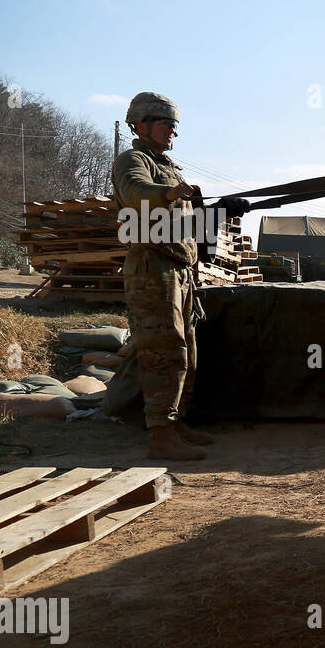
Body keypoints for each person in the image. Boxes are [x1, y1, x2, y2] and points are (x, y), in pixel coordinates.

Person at [112, 91, 248, 460]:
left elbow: (187, 223)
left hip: (179, 269)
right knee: (162, 349)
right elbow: (136, 192)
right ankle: (159, 432)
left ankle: (174, 423)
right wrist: (171, 192)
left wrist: (220, 210)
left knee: (185, 347)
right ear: (140, 125)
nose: (173, 131)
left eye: (175, 125)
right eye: (166, 123)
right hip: (152, 268)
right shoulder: (134, 161)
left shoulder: (171, 168)